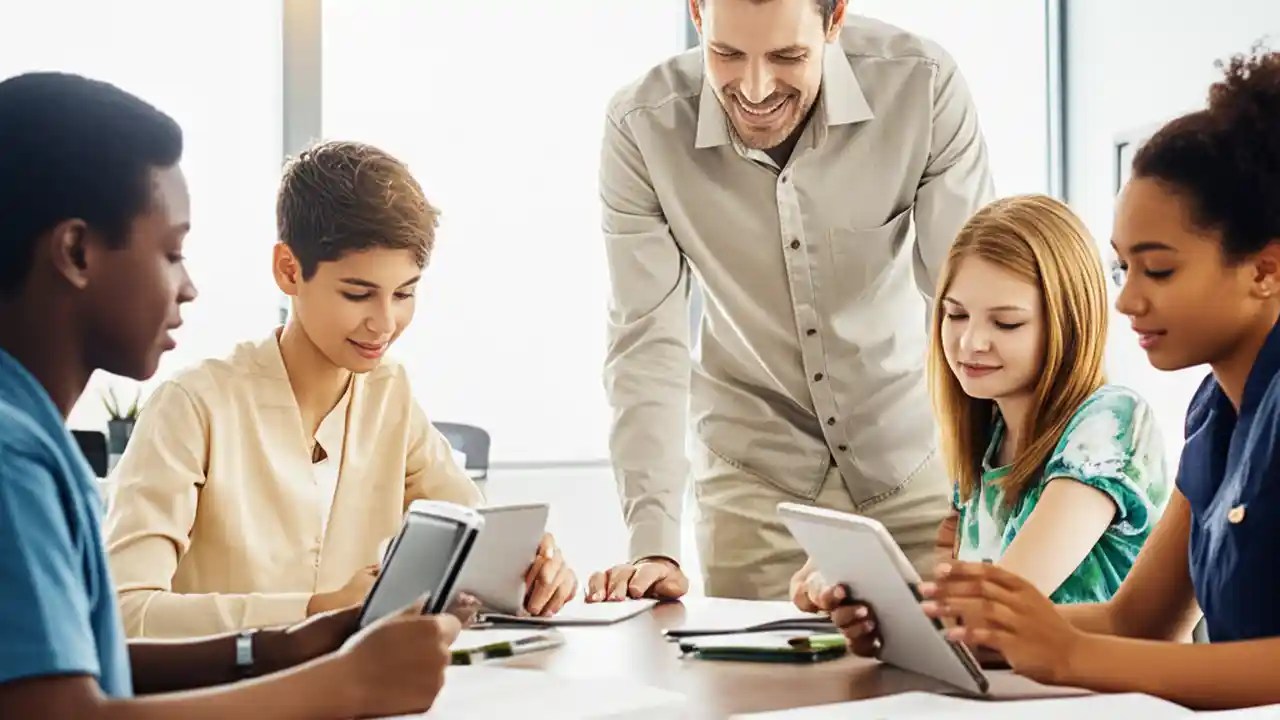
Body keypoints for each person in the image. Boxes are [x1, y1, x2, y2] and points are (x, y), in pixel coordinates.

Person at [0, 71, 458, 719]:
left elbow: (89, 663)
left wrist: (279, 645)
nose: (188, 288)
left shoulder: (31, 439)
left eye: (404, 292)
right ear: (76, 250)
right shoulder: (12, 457)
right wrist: (347, 684)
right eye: (171, 252)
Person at [886, 47, 1280, 710]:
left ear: (1265, 270)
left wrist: (1070, 654)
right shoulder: (1217, 415)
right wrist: (927, 627)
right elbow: (1140, 623)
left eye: (1158, 271)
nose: (1124, 302)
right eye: (1124, 270)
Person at [588, 0, 995, 602]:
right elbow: (646, 341)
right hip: (753, 480)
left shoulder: (920, 86)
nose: (754, 88)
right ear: (698, 13)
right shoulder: (642, 127)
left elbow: (971, 305)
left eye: (787, 56)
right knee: (756, 686)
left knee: (941, 682)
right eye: (727, 54)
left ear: (834, 19)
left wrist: (992, 489)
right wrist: (653, 542)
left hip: (916, 465)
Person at [103, 140, 578, 639]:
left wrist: (533, 567)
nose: (385, 323)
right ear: (289, 270)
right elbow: (125, 612)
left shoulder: (388, 393)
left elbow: (478, 533)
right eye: (358, 293)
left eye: (405, 293)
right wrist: (315, 609)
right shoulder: (192, 406)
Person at [790, 195, 1171, 647]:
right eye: (955, 315)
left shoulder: (1110, 423)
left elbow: (1006, 599)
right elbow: (963, 609)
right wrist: (851, 586)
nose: (970, 342)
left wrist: (883, 600)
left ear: (1069, 324)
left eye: (1006, 323)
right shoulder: (990, 442)